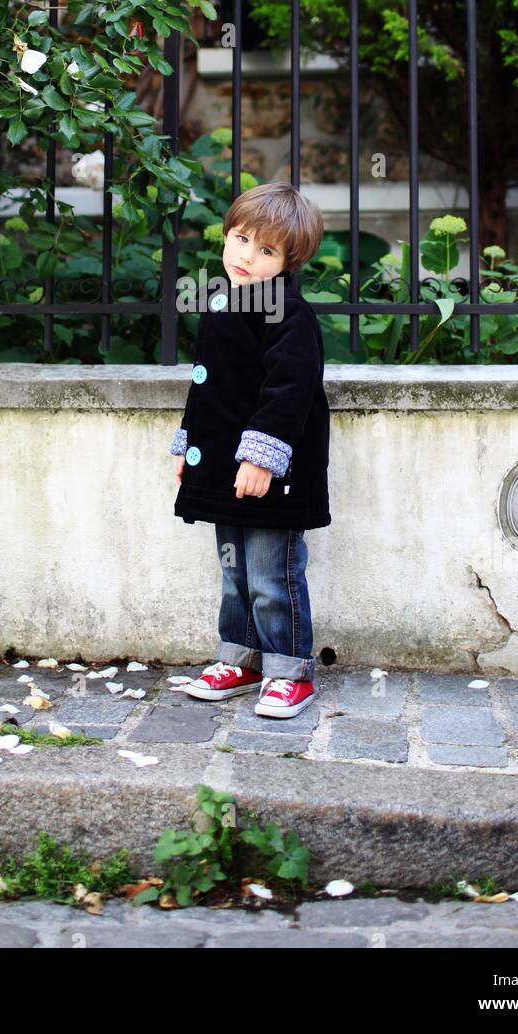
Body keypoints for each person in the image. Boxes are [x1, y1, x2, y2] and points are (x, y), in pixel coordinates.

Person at [168, 181, 330, 719]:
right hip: (219, 466)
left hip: (271, 472)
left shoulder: (289, 314)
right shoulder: (223, 303)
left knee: (270, 574)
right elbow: (206, 387)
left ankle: (290, 669)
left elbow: (290, 390)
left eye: (266, 250)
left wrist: (262, 457)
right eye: (241, 239)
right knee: (233, 572)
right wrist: (186, 444)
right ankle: (240, 658)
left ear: (287, 262)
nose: (247, 256)